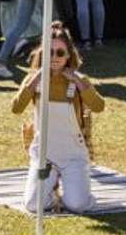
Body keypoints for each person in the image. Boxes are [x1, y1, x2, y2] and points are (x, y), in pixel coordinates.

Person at [13, 21, 105, 215]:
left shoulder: (80, 80)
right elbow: (16, 108)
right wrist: (33, 83)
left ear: (69, 55)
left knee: (78, 205)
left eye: (60, 53)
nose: (54, 58)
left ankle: (74, 185)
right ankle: (51, 188)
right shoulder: (33, 80)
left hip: (73, 154)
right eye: (49, 52)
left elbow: (98, 106)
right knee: (32, 205)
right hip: (44, 153)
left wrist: (79, 83)